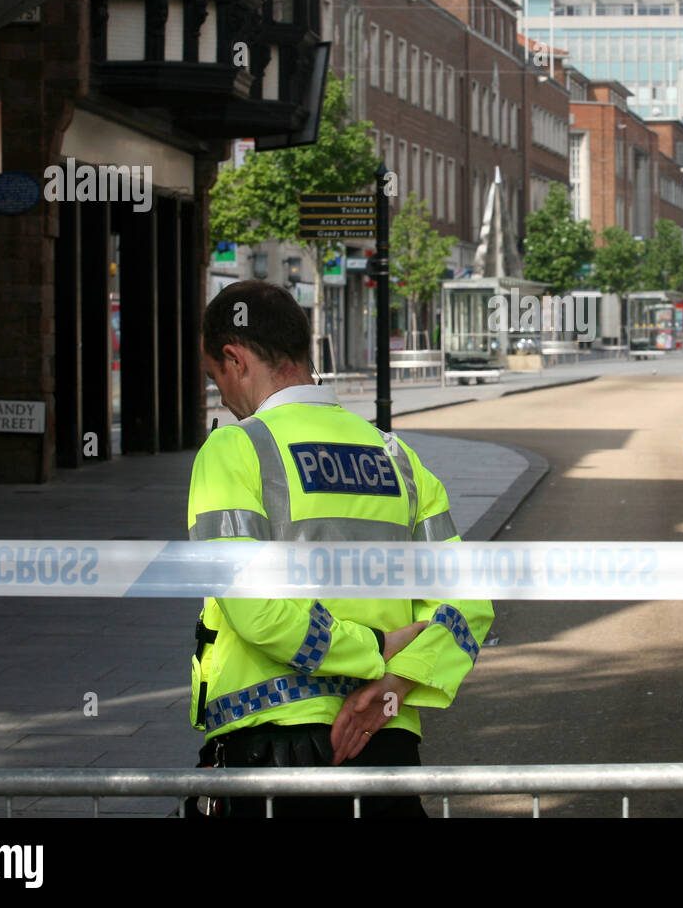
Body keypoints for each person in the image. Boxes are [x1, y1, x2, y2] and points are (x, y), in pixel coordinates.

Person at [187, 279, 492, 818]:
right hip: (386, 749)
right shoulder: (399, 460)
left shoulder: (236, 449)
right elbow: (468, 607)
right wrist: (393, 684)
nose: (223, 398)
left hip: (277, 757)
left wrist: (374, 648)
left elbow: (257, 609)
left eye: (216, 379)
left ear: (235, 360)